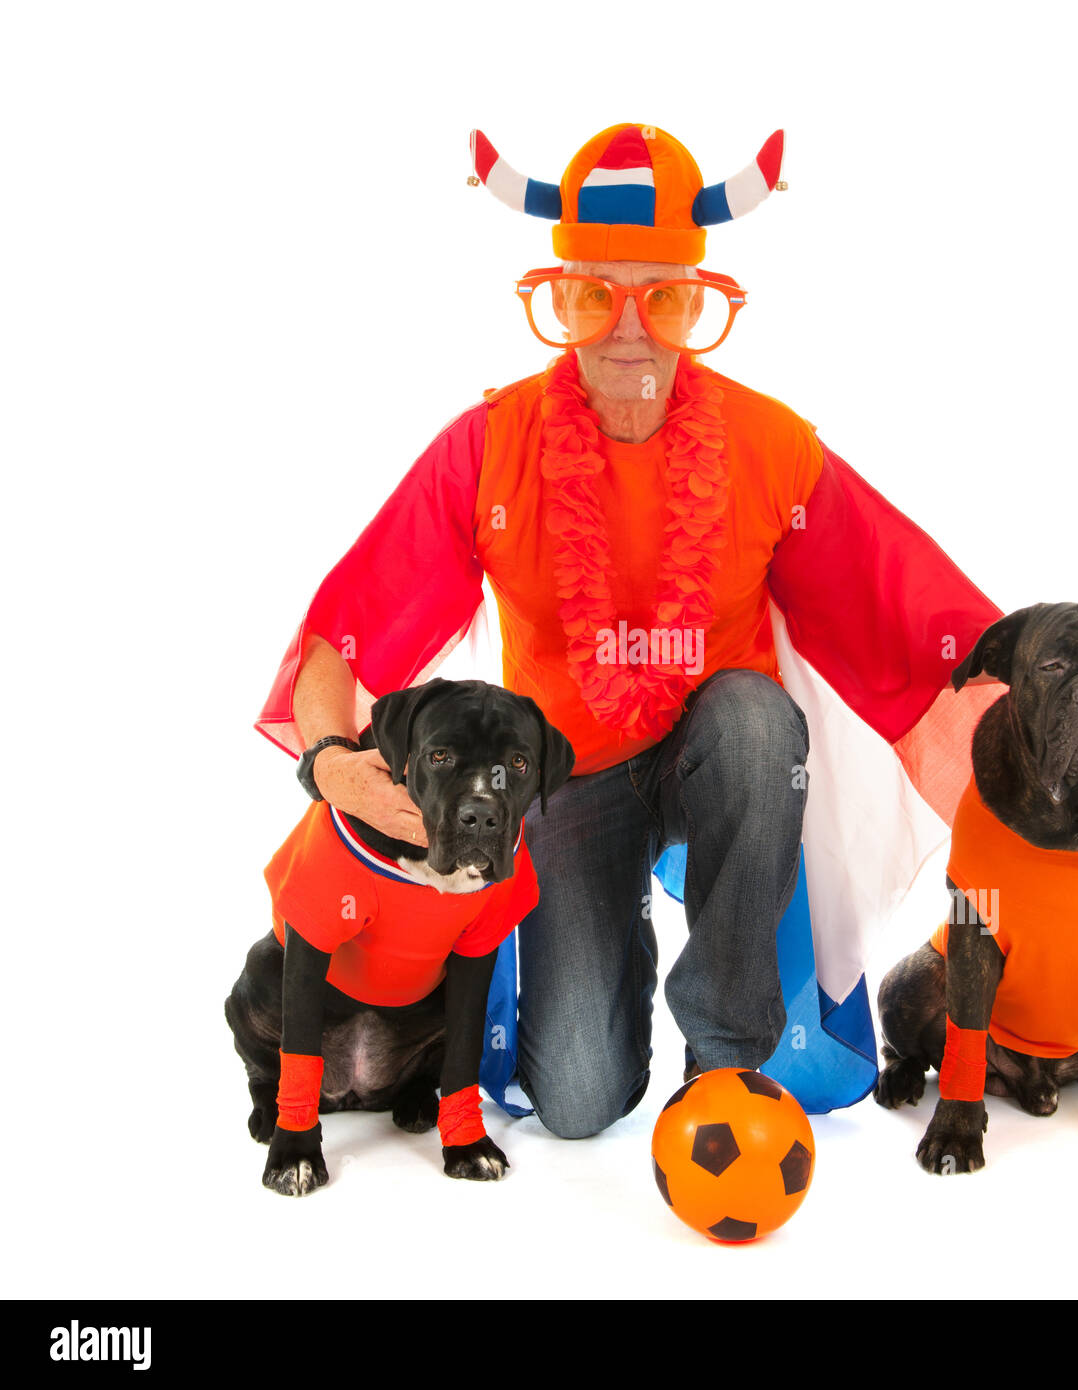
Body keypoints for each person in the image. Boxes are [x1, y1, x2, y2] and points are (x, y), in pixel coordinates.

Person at [256, 122, 1003, 1139]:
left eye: (666, 298)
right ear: (557, 297)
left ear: (699, 304)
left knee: (753, 724)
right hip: (569, 772)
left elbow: (906, 605)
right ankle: (615, 957)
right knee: (575, 1097)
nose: (627, 330)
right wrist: (333, 760)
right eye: (590, 294)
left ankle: (724, 1059)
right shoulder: (485, 449)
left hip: (720, 758)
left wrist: (1036, 711)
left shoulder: (768, 445)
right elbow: (343, 630)